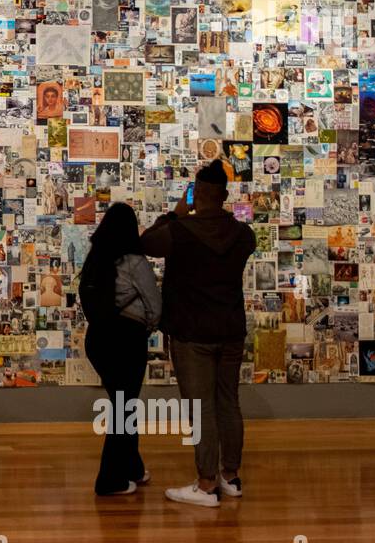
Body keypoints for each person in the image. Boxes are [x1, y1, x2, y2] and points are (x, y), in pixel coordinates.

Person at [140, 162, 256, 507]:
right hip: (231, 329)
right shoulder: (243, 235)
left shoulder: (179, 231)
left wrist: (175, 215)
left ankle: (206, 485)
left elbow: (145, 242)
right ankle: (230, 477)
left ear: (197, 193)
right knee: (228, 403)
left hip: (192, 333)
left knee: (200, 406)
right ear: (223, 196)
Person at [78, 202, 162, 496]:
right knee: (124, 408)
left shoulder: (95, 258)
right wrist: (144, 329)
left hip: (98, 341)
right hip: (126, 341)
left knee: (122, 403)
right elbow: (155, 306)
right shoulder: (135, 262)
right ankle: (109, 479)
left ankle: (132, 467)